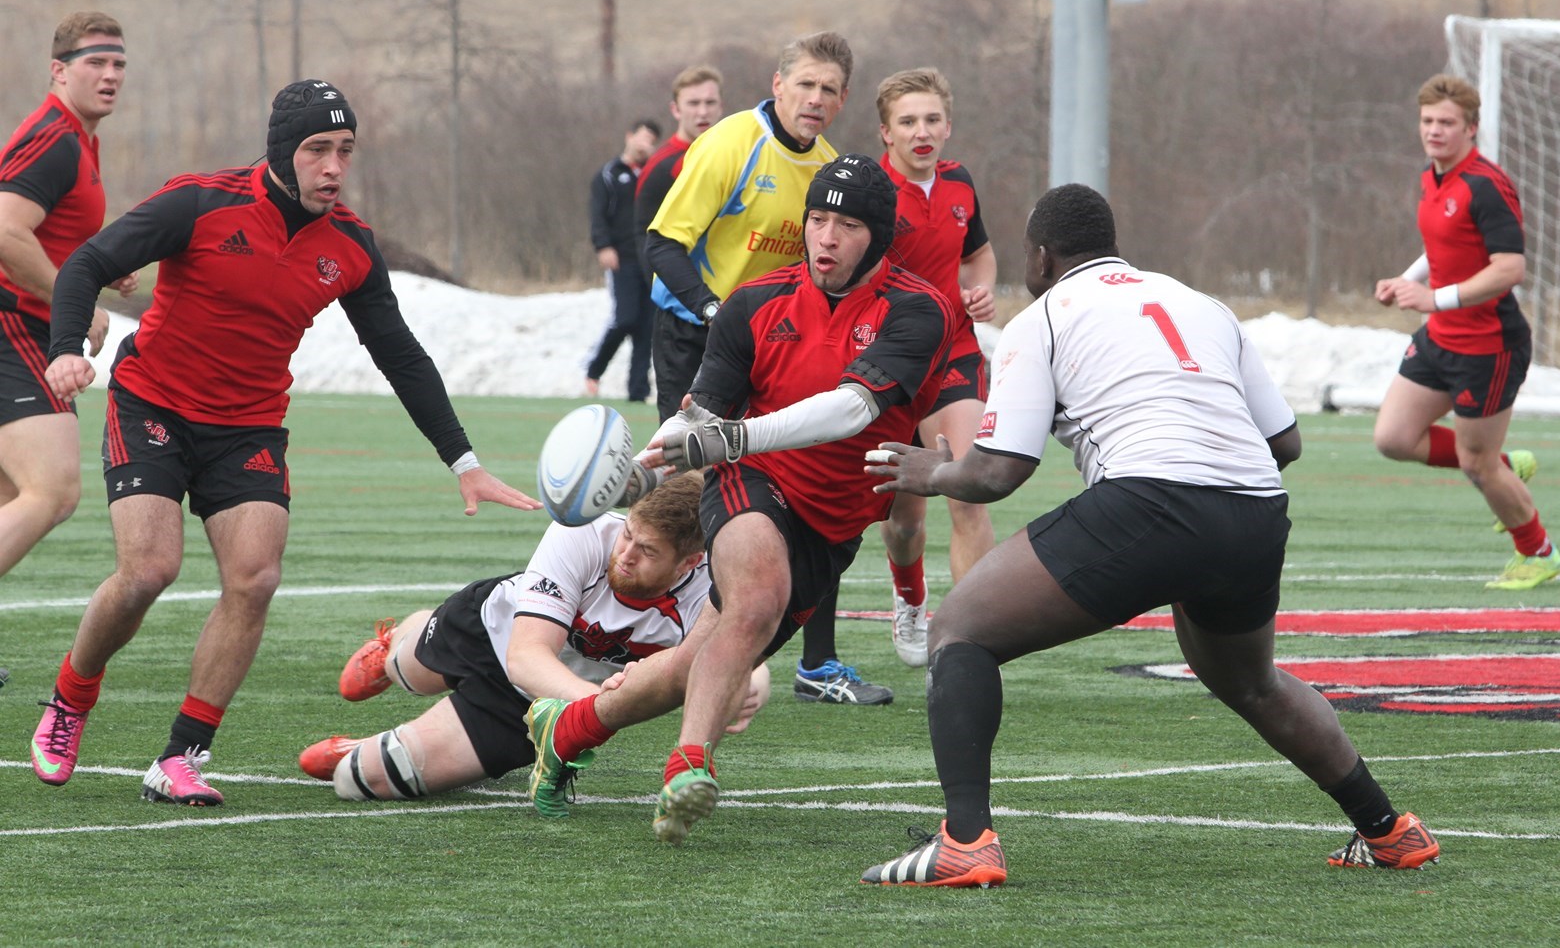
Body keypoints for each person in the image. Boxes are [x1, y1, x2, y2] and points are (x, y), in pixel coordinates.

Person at [857, 183, 1440, 887]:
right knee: (1251, 682)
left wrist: (935, 472)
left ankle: (965, 841)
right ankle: (1388, 829)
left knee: (959, 631)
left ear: (1040, 257)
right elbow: (1284, 441)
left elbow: (999, 471)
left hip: (1150, 501)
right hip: (1256, 510)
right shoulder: (1202, 305)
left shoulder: (1043, 318)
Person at [29, 78, 538, 807]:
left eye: (346, 150)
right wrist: (65, 349)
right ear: (280, 152)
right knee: (148, 571)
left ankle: (180, 756)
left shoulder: (350, 245)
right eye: (317, 149)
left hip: (248, 427)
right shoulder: (200, 202)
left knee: (255, 578)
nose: (334, 166)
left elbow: (399, 353)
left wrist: (464, 461)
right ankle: (71, 698)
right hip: (154, 404)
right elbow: (86, 264)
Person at [524, 155, 960, 844]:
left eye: (848, 225)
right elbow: (700, 417)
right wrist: (640, 473)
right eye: (818, 219)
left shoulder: (919, 309)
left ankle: (566, 729)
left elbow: (851, 409)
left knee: (690, 666)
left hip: (833, 523)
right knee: (756, 600)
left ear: (878, 236)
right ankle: (688, 767)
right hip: (753, 479)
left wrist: (730, 435)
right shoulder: (754, 303)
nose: (826, 237)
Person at [645, 30, 886, 704]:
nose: (815, 99)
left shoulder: (831, 171)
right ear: (778, 85)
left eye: (829, 89)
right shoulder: (730, 143)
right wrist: (713, 308)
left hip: (781, 350)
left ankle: (817, 662)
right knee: (687, 492)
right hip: (699, 338)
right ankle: (644, 633)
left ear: (843, 100)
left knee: (818, 487)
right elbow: (662, 244)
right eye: (805, 84)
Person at [294, 472, 770, 807]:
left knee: (362, 780)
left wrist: (751, 684)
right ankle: (396, 644)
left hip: (529, 704)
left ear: (689, 563)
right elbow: (525, 655)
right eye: (627, 535)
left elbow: (741, 651)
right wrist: (598, 708)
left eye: (647, 551)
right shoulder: (582, 531)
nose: (625, 554)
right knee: (409, 671)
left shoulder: (711, 587)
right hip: (490, 629)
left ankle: (363, 746)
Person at [1372, 73, 1560, 592]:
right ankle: (1506, 465)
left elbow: (1510, 268)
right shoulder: (1433, 177)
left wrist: (1435, 298)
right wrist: (1404, 281)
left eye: (1447, 123)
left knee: (1477, 465)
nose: (1434, 131)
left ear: (1471, 128)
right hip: (1440, 338)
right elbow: (1445, 244)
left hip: (1488, 348)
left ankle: (1538, 551)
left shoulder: (1486, 185)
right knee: (1393, 438)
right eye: (1428, 121)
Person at [0, 13, 137, 587]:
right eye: (95, 62)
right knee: (52, 491)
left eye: (118, 64)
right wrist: (76, 302)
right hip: (13, 328)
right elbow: (6, 230)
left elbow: (47, 230)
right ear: (59, 71)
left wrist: (99, 268)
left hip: (23, 327)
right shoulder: (55, 139)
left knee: (12, 496)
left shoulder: (80, 140)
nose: (110, 75)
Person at [872, 68, 997, 666]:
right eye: (907, 121)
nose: (921, 132)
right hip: (890, 363)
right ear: (886, 132)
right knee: (904, 519)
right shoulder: (872, 192)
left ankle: (971, 641)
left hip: (956, 353)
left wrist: (978, 290)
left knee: (969, 490)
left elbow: (978, 254)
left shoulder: (960, 182)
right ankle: (910, 598)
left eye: (931, 119)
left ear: (948, 126)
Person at [583, 117, 661, 402]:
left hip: (650, 259)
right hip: (621, 258)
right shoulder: (608, 174)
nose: (645, 144)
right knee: (625, 318)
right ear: (629, 136)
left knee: (647, 326)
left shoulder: (655, 173)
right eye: (642, 137)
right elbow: (598, 214)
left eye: (651, 141)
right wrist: (603, 246)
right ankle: (594, 370)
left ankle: (638, 391)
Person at [632, 65, 724, 268]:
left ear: (721, 107)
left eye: (710, 102)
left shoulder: (734, 154)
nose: (703, 112)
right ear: (676, 109)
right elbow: (645, 235)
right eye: (693, 103)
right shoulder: (662, 165)